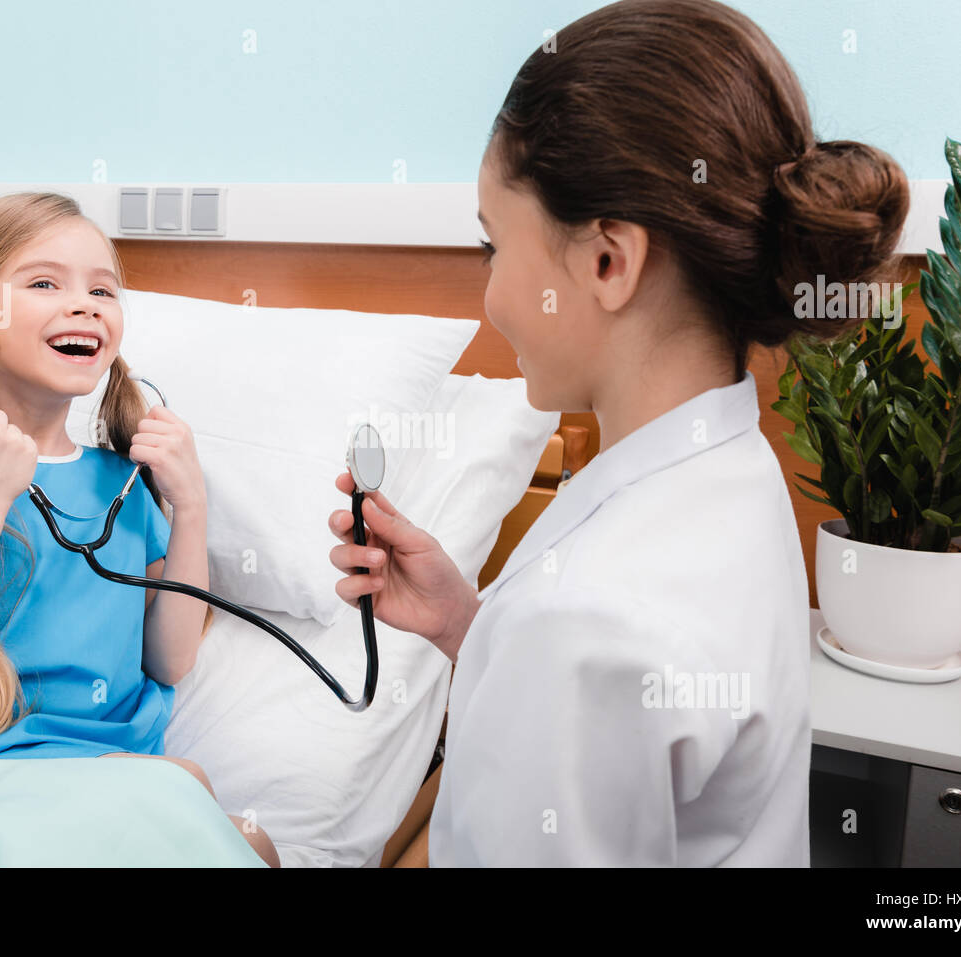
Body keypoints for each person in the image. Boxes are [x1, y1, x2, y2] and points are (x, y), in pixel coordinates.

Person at [327, 0, 907, 865]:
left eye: (494, 248)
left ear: (608, 261)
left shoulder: (581, 622)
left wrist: (525, 644)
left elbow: (591, 659)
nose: (489, 296)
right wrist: (475, 629)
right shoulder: (734, 468)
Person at [0, 192, 278, 866]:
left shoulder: (121, 482)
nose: (85, 304)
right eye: (44, 282)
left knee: (252, 843)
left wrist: (191, 510)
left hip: (98, 776)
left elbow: (169, 659)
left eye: (104, 288)